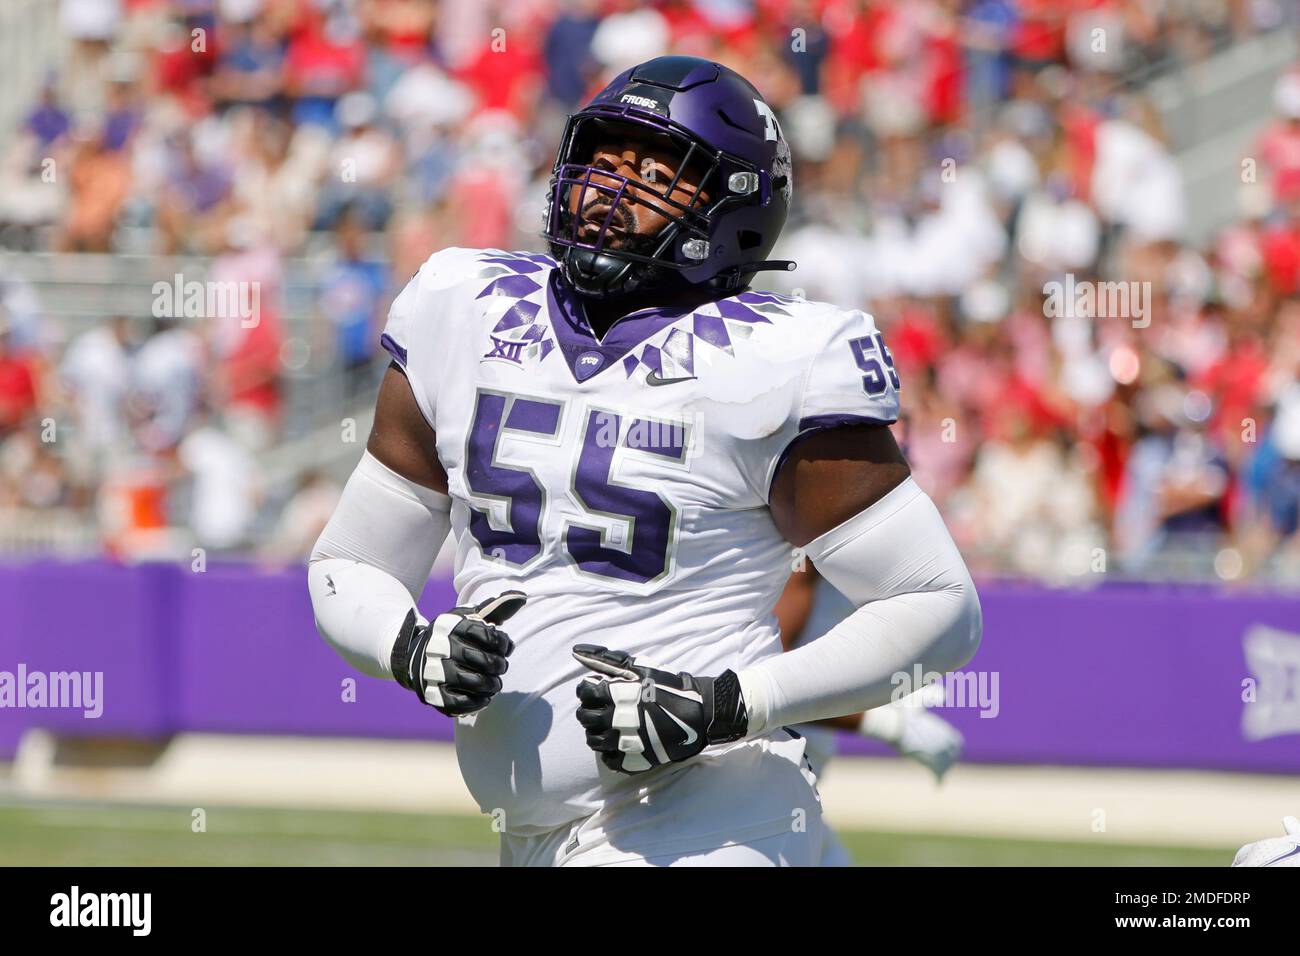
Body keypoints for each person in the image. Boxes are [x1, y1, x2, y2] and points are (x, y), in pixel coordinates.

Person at [308, 56, 982, 867]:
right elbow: (350, 560)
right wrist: (409, 647)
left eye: (655, 169)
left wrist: (731, 704)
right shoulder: (462, 308)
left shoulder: (779, 357)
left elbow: (938, 605)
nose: (610, 188)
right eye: (602, 159)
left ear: (734, 204)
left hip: (707, 823)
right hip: (539, 838)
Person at [775, 562, 965, 866]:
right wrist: (889, 724)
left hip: (793, 776)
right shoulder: (805, 552)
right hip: (772, 771)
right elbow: (769, 678)